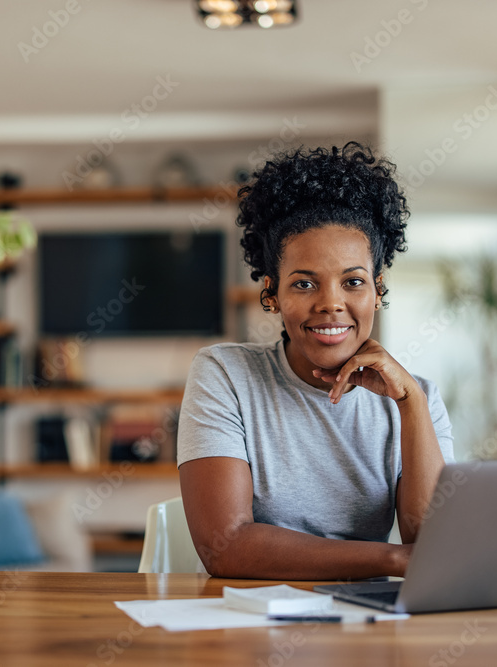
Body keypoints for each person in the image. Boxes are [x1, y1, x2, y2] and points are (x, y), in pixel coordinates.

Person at [177, 142, 454, 580]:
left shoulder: (418, 397)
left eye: (353, 282)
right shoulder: (225, 375)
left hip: (367, 623)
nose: (331, 304)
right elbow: (225, 546)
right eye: (305, 284)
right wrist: (390, 559)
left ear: (377, 292)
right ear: (272, 294)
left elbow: (432, 543)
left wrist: (410, 405)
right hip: (248, 625)